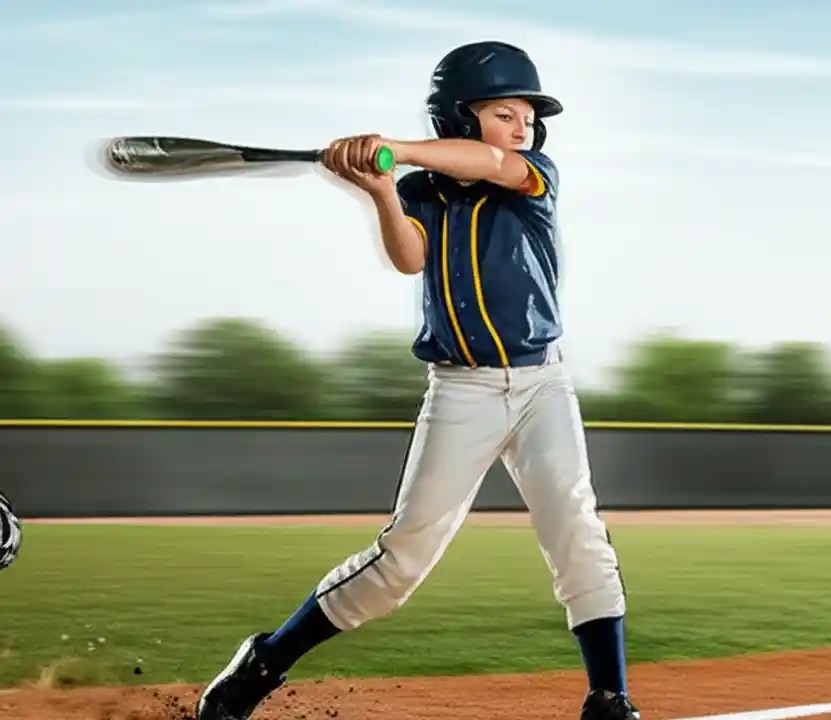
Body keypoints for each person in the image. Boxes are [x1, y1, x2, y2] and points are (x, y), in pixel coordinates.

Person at [195, 41, 639, 720]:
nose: (522, 126)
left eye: (527, 114)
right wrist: (378, 185)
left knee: (576, 531)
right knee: (401, 563)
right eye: (503, 111)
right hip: (461, 390)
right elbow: (409, 258)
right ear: (458, 117)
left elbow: (492, 165)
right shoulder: (421, 191)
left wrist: (392, 146)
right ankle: (262, 663)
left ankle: (610, 699)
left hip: (542, 384)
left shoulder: (531, 175)